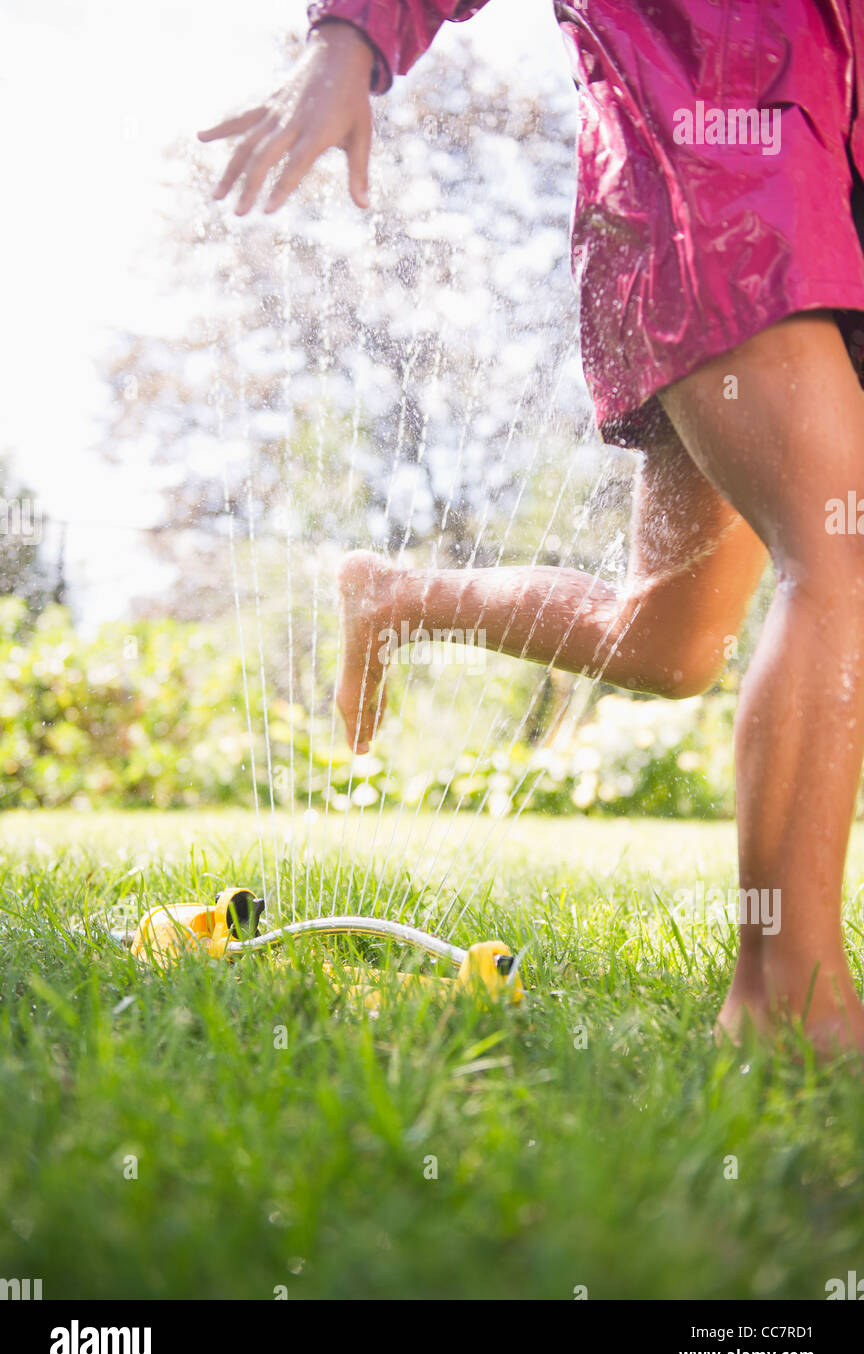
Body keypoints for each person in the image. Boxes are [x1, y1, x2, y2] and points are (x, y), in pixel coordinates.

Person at [199, 1, 864, 1054]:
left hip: (825, 187)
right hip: (712, 172)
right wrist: (349, 38)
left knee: (670, 642)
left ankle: (399, 598)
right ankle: (787, 1000)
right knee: (841, 554)